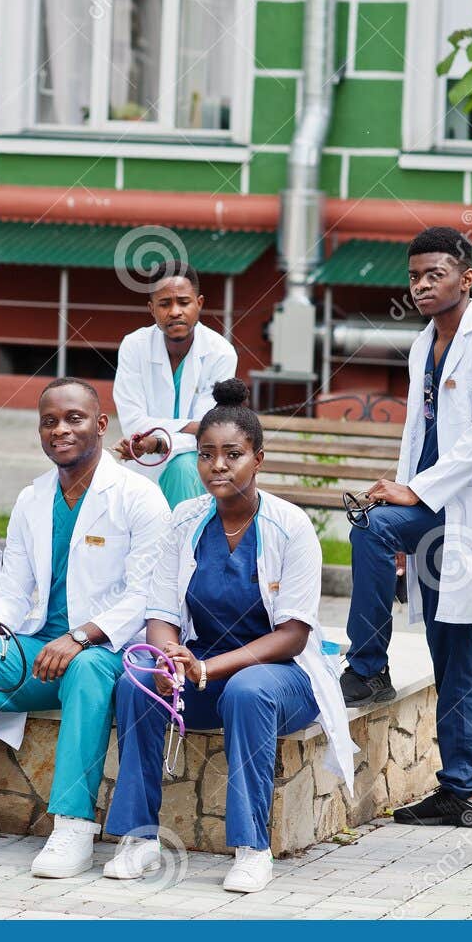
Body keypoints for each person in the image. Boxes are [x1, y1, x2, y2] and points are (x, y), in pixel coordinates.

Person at [0, 378, 170, 878]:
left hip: (108, 649)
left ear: (101, 425)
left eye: (74, 418)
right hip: (41, 650)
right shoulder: (33, 498)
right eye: (49, 421)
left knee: (88, 670)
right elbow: (12, 586)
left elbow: (145, 595)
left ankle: (72, 827)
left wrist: (83, 635)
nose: (61, 429)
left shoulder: (140, 497)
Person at [104, 380, 356, 893]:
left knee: (247, 690)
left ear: (258, 459)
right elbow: (160, 608)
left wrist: (209, 668)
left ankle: (251, 847)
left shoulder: (291, 527)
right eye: (206, 455)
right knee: (139, 681)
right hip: (202, 669)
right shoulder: (186, 520)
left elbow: (291, 635)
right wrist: (169, 653)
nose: (218, 466)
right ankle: (140, 837)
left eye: (232, 455)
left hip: (282, 679)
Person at [339, 227, 472, 829]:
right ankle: (372, 671)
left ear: (465, 279)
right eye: (415, 276)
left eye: (435, 275)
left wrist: (413, 490)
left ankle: (464, 787)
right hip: (432, 504)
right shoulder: (426, 342)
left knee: (454, 649)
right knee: (373, 528)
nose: (421, 286)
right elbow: (419, 431)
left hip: (464, 510)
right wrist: (407, 486)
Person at [113, 261, 238, 507]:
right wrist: (193, 426)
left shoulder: (221, 353)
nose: (175, 311)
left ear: (199, 304)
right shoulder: (134, 346)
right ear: (151, 308)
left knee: (181, 468)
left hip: (197, 464)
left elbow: (210, 434)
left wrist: (158, 442)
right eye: (164, 304)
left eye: (183, 302)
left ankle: (185, 544)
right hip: (141, 464)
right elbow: (132, 423)